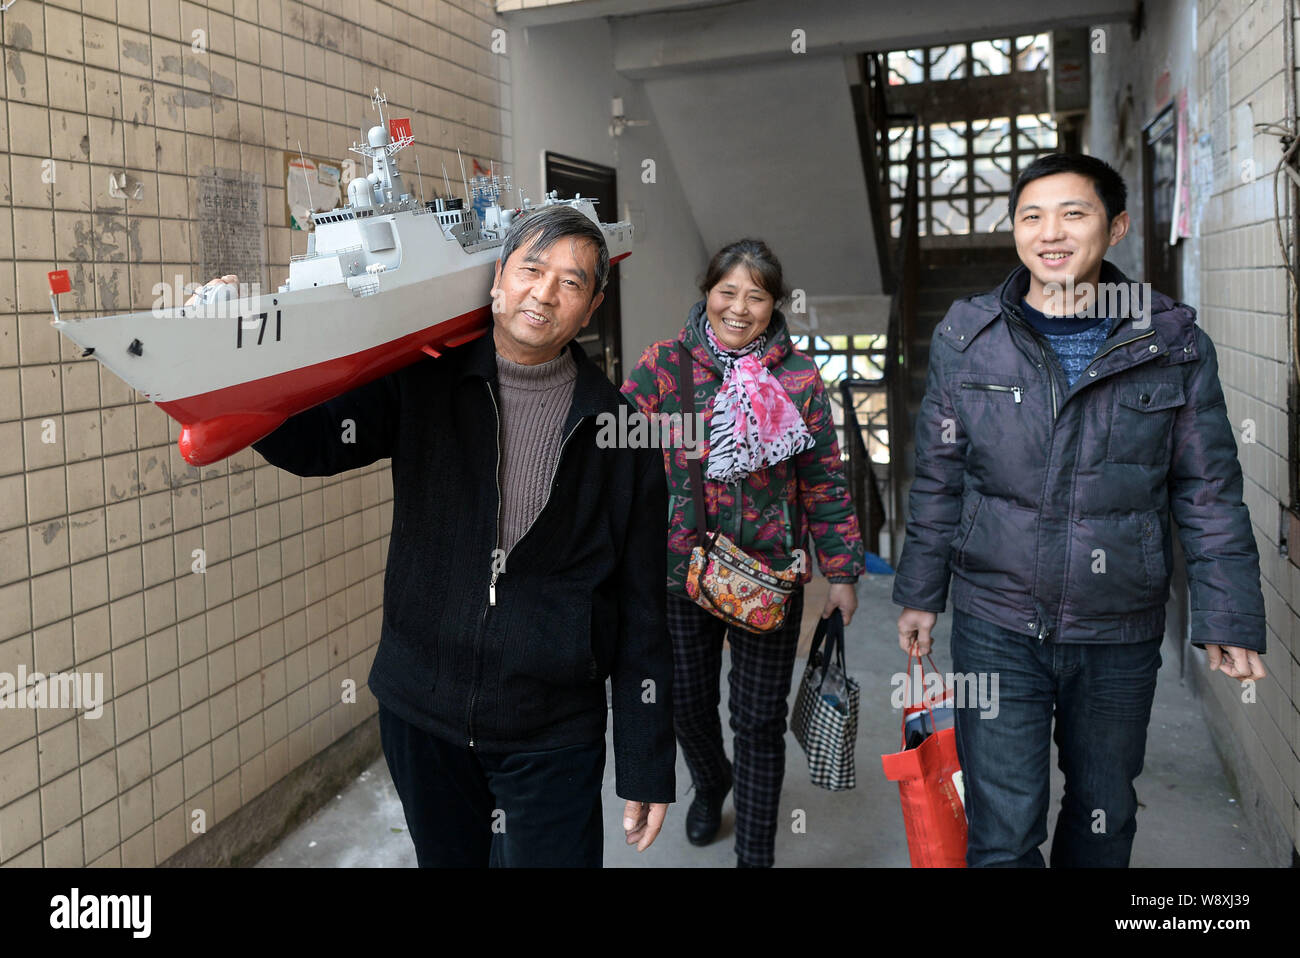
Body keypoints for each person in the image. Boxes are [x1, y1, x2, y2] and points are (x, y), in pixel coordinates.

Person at [195, 205, 675, 866]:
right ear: (497, 279)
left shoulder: (623, 437)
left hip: (550, 733)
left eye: (571, 282)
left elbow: (645, 607)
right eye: (532, 269)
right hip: (422, 714)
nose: (545, 292)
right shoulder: (425, 382)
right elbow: (314, 444)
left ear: (591, 307)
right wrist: (231, 353)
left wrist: (648, 761)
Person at [893, 152, 1268, 867]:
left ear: (1116, 225)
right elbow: (939, 475)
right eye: (1031, 215)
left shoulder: (1173, 343)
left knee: (1104, 814)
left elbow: (1207, 488)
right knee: (1002, 830)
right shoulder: (968, 337)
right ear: (1014, 231)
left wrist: (1229, 615)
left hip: (1118, 626)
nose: (1050, 231)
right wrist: (919, 593)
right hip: (995, 619)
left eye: (1074, 212)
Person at [621, 238, 866, 867]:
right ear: (707, 293)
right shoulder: (666, 366)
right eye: (727, 291)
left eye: (755, 296)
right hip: (682, 572)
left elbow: (824, 481)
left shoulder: (800, 379)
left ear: (774, 305)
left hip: (767, 575)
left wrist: (841, 572)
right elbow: (614, 445)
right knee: (685, 706)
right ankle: (710, 784)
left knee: (757, 722)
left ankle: (754, 858)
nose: (739, 307)